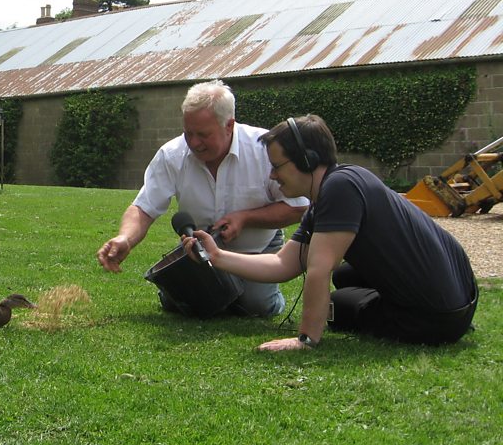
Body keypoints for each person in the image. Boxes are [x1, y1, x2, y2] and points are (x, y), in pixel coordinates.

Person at [184, 114, 478, 351]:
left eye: (277, 166)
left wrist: (305, 339)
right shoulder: (341, 185)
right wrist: (217, 255)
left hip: (434, 319)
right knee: (345, 277)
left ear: (308, 161)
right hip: (461, 301)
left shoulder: (339, 189)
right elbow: (283, 263)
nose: (272, 175)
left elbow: (317, 270)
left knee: (338, 305)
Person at [97, 80, 308, 317]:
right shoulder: (172, 155)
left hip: (256, 248)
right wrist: (126, 238)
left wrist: (246, 219)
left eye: (203, 135)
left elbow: (298, 207)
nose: (194, 142)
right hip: (197, 250)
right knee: (177, 304)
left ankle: (266, 297)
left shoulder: (265, 149)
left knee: (255, 307)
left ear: (229, 125)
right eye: (189, 133)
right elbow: (144, 207)